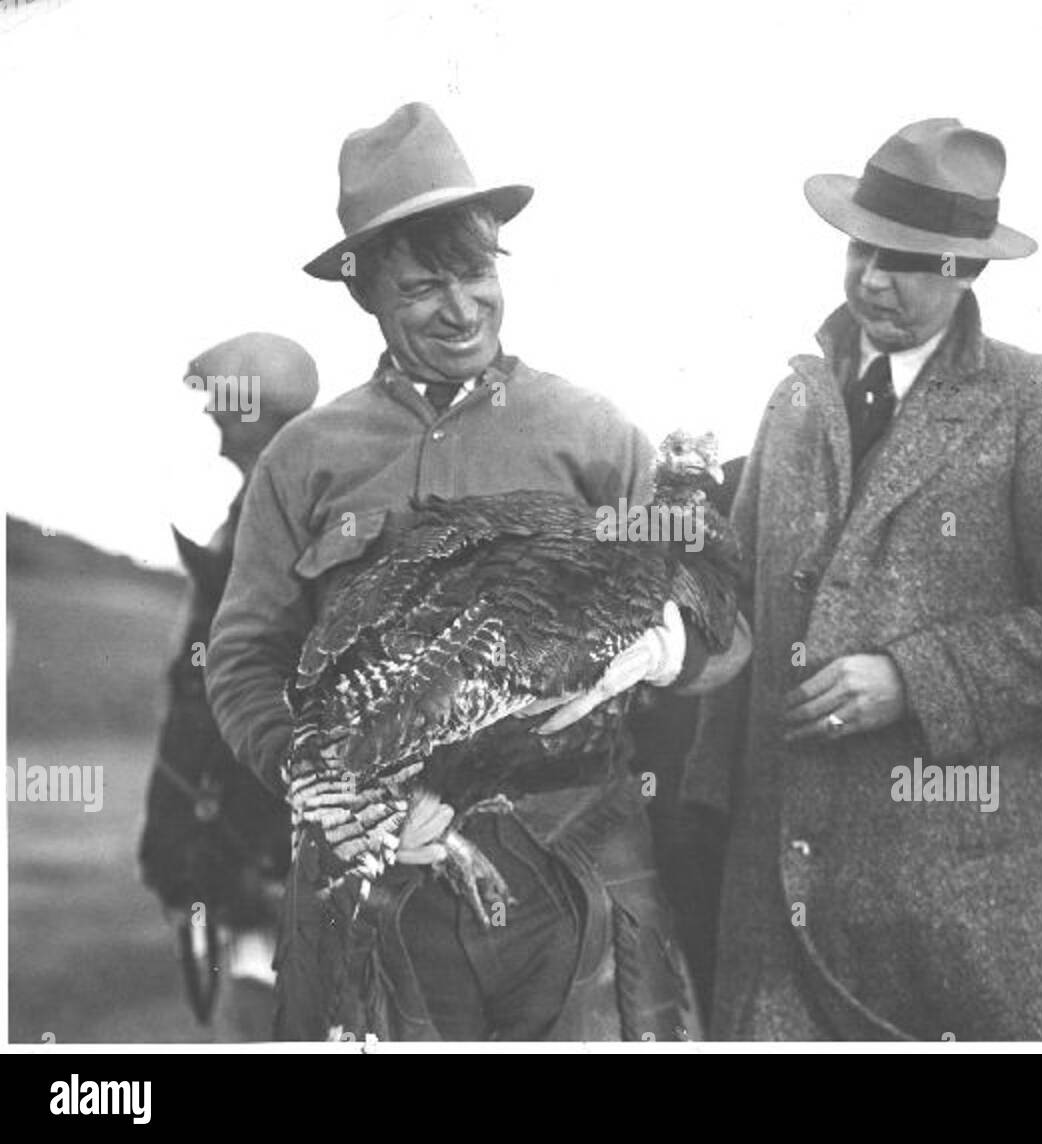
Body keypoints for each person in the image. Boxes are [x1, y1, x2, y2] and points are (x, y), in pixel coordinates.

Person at [205, 103, 748, 1041]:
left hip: (577, 857)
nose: (461, 309)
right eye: (422, 287)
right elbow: (244, 655)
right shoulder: (305, 458)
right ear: (364, 290)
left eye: (477, 273)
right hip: (382, 876)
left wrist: (667, 648)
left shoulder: (594, 435)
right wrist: (318, 787)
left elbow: (726, 629)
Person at [683, 118, 1042, 1040]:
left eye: (910, 260)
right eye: (863, 246)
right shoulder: (796, 400)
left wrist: (915, 680)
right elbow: (733, 599)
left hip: (967, 918)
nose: (872, 278)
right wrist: (709, 793)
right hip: (783, 893)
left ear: (968, 271)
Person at [139, 332, 317, 1041]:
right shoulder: (254, 513)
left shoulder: (281, 516)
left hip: (281, 847)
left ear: (253, 415)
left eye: (220, 417)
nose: (214, 439)